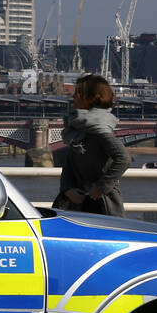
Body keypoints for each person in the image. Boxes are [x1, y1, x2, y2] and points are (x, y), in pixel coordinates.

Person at [54, 74, 129, 216]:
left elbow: (123, 158)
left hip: (102, 206)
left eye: (78, 93)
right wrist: (68, 190)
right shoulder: (77, 129)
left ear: (92, 98)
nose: (73, 97)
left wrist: (101, 187)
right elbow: (68, 166)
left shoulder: (100, 131)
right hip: (76, 203)